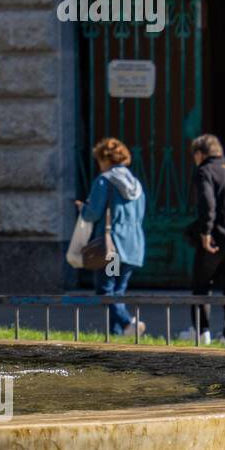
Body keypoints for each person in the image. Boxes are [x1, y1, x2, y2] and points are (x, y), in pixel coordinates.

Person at [178, 134, 225, 347]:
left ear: (200, 154)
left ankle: (202, 331)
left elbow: (207, 204)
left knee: (202, 284)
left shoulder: (204, 171)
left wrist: (206, 233)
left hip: (215, 238)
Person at [77, 137, 146, 336]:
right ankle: (116, 334)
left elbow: (93, 213)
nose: (98, 165)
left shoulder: (104, 181)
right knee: (118, 290)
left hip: (112, 250)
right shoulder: (137, 185)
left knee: (105, 290)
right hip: (133, 248)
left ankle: (127, 324)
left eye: (99, 160)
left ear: (106, 159)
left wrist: (83, 208)